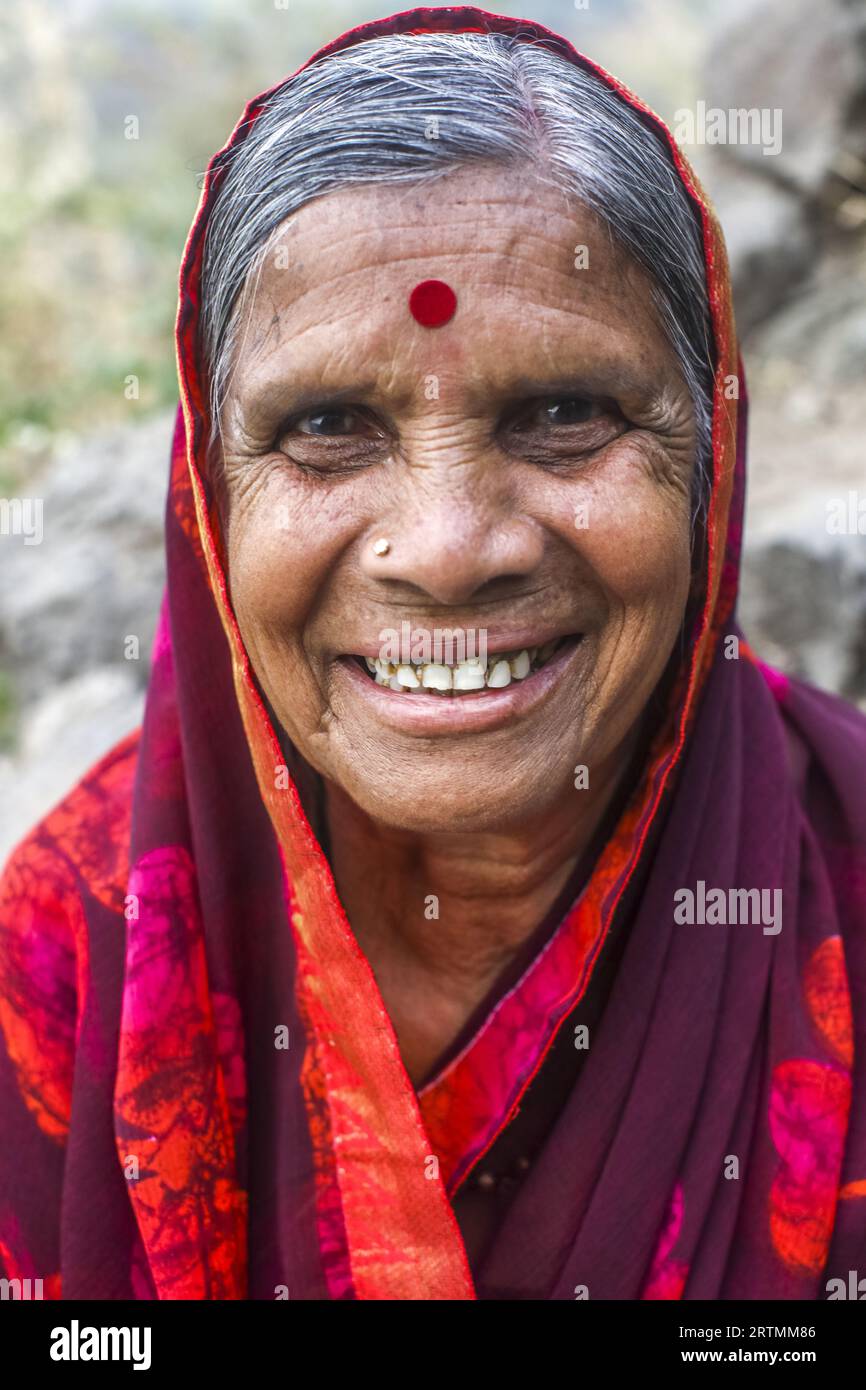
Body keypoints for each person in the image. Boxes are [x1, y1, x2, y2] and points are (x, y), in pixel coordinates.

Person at [1, 7, 864, 1301]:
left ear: (708, 452)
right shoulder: (58, 964)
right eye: (328, 426)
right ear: (208, 498)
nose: (450, 548)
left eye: (566, 413)